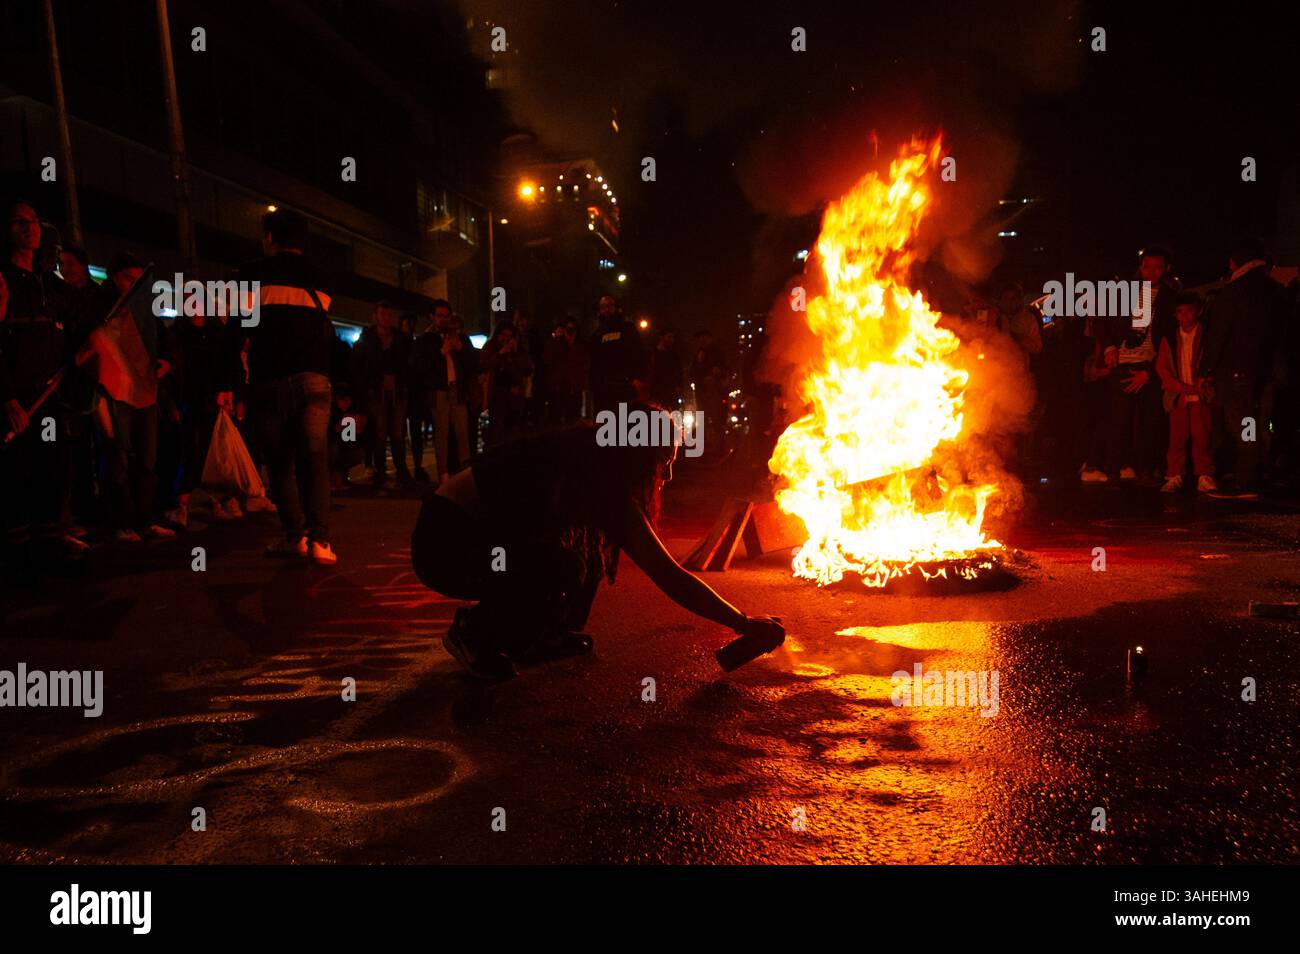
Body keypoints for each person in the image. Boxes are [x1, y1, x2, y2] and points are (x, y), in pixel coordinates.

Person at [410, 407, 785, 680]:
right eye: (662, 463)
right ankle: (472, 632)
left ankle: (542, 636)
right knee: (557, 564)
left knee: (576, 557)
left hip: (463, 539)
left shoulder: (588, 462)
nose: (668, 475)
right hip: (445, 546)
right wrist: (741, 622)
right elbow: (668, 574)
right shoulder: (599, 483)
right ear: (636, 457)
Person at [222, 207, 337, 564]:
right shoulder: (322, 279)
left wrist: (229, 382)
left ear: (270, 238)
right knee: (315, 459)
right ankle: (321, 542)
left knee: (280, 461)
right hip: (316, 378)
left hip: (269, 379)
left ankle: (295, 537)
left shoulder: (252, 274)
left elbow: (235, 332)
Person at [0, 199, 83, 577]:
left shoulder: (50, 285)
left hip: (51, 397)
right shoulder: (2, 279)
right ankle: (19, 556)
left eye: (33, 221)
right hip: (19, 399)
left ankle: (50, 545)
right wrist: (7, 397)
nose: (29, 228)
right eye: (19, 222)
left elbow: (76, 327)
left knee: (53, 468)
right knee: (18, 475)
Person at [92, 252, 177, 543]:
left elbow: (164, 345)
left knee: (147, 459)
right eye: (129, 278)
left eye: (139, 279)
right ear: (114, 277)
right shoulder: (101, 305)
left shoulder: (145, 311)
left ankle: (146, 518)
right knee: (117, 455)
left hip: (145, 392)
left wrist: (166, 361)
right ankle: (121, 522)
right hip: (114, 391)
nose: (135, 284)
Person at [1200, 239, 1286, 499]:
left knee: (1245, 425)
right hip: (1268, 372)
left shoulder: (1233, 291)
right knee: (1261, 423)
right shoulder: (1278, 291)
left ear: (1234, 263)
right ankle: (1261, 472)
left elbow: (1219, 334)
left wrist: (1207, 368)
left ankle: (1247, 480)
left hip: (1239, 373)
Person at [1101, 247, 1176, 483]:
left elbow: (1171, 339)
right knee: (1119, 420)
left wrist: (1151, 371)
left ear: (1166, 269)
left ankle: (1146, 467)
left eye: (1157, 267)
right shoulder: (1125, 292)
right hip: (1123, 363)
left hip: (1151, 366)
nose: (1152, 272)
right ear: (1140, 267)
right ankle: (1113, 467)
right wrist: (1110, 348)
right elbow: (1103, 322)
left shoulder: (1170, 296)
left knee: (1150, 422)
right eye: (1147, 267)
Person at [1156, 291, 1216, 493]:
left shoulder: (1207, 335)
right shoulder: (1171, 338)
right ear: (1175, 315)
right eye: (1180, 312)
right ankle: (1174, 474)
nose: (1185, 317)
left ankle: (1204, 474)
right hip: (1181, 396)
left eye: (1189, 311)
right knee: (1177, 439)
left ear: (1197, 312)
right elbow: (1162, 368)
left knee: (1202, 437)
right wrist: (1182, 389)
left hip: (1200, 396)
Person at [353, 300, 413, 488]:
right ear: (375, 316)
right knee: (380, 432)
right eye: (383, 314)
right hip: (376, 390)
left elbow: (407, 363)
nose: (386, 317)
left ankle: (400, 469)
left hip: (397, 389)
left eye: (389, 314)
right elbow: (358, 366)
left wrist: (404, 384)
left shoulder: (400, 339)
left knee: (396, 432)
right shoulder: (367, 339)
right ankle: (381, 470)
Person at [588, 294, 647, 414]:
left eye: (610, 305)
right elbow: (593, 363)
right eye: (603, 307)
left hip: (626, 385)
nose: (607, 309)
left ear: (616, 307)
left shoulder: (627, 328)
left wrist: (638, 378)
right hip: (604, 388)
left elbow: (639, 353)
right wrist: (594, 386)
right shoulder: (597, 335)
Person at [479, 320, 533, 446]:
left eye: (510, 336)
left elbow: (527, 369)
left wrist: (515, 354)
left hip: (514, 398)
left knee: (513, 431)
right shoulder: (491, 348)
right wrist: (500, 354)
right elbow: (484, 366)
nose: (506, 339)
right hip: (496, 397)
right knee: (497, 431)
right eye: (503, 335)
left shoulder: (518, 351)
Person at [542, 317, 588, 424]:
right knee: (556, 421)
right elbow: (548, 362)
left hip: (575, 390)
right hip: (559, 390)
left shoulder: (581, 346)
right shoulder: (555, 345)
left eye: (573, 330)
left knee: (574, 420)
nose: (570, 332)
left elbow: (584, 365)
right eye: (568, 329)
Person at [650, 328, 684, 409]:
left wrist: (679, 386)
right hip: (657, 390)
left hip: (671, 391)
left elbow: (679, 372)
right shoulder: (653, 354)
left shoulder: (674, 355)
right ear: (661, 337)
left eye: (672, 337)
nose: (671, 340)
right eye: (669, 337)